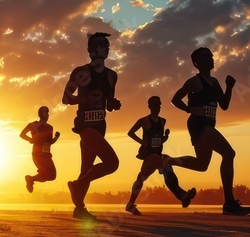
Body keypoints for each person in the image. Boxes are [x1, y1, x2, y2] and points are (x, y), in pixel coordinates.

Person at [163, 48, 250, 215]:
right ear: (197, 62)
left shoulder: (214, 82)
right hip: (199, 124)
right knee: (229, 154)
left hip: (209, 124)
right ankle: (229, 203)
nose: (211, 58)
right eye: (206, 56)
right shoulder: (194, 81)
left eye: (212, 56)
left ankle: (169, 161)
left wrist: (229, 87)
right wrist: (190, 109)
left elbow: (224, 105)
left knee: (202, 165)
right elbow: (175, 99)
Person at [62, 32, 122, 221]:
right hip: (85, 125)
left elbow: (108, 102)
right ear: (91, 50)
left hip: (100, 125)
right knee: (112, 163)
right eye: (102, 45)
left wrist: (113, 105)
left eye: (107, 46)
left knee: (87, 167)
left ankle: (79, 208)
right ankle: (78, 185)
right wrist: (82, 98)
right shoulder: (82, 72)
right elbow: (65, 98)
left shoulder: (112, 76)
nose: (106, 49)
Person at [125, 96, 197, 215]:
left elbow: (158, 140)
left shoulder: (163, 121)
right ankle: (182, 195)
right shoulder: (144, 121)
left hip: (157, 154)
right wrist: (142, 142)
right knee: (164, 166)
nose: (157, 107)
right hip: (149, 155)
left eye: (158, 105)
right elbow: (130, 133)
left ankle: (130, 204)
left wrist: (165, 137)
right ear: (149, 106)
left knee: (147, 176)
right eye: (154, 105)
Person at [20, 106, 60, 193]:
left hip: (46, 153)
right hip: (38, 153)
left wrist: (56, 138)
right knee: (49, 175)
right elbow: (22, 134)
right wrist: (31, 139)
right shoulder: (33, 125)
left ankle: (30, 179)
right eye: (46, 112)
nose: (47, 115)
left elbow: (49, 142)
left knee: (51, 176)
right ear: (41, 114)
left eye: (48, 113)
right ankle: (30, 179)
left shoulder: (50, 127)